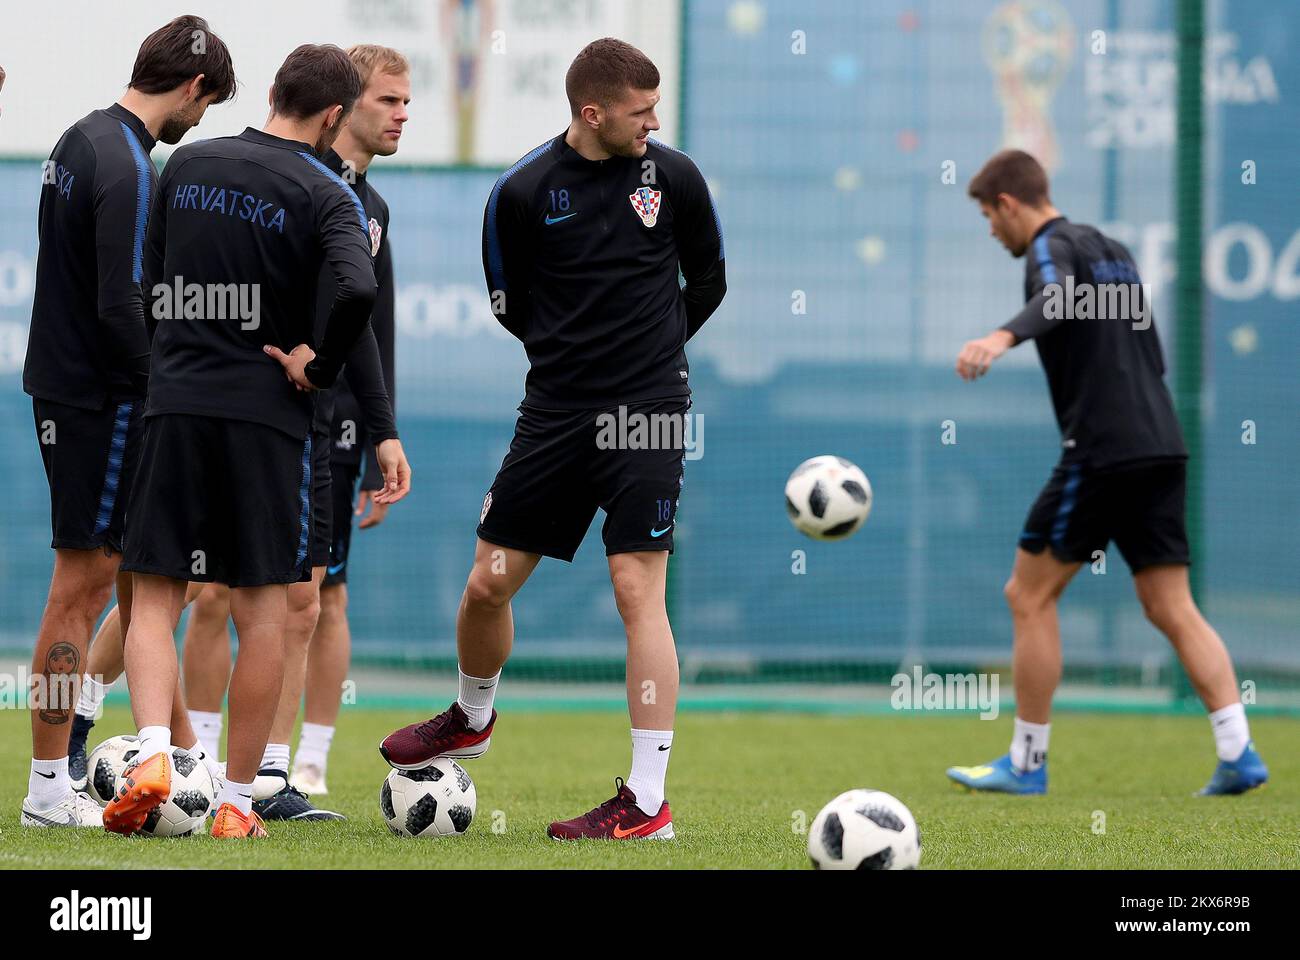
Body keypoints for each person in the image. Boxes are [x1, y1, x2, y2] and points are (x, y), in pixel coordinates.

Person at [380, 37, 726, 840]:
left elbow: (707, 280)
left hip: (648, 411)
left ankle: (645, 802)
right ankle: (472, 715)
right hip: (557, 413)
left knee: (639, 591)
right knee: (487, 584)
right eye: (640, 112)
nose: (655, 122)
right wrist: (575, 358)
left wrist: (652, 354)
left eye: (657, 108)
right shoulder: (523, 190)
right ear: (591, 112)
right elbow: (508, 302)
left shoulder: (673, 176)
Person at [102, 43, 409, 840]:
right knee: (266, 610)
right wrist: (323, 361)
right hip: (269, 420)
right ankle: (238, 801)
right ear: (334, 116)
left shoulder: (188, 164)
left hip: (174, 405)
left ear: (273, 91)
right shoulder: (327, 191)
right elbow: (360, 290)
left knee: (156, 594)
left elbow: (151, 281)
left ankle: (156, 761)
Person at [945, 149, 1268, 797]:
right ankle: (1239, 752)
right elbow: (1149, 350)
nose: (989, 230)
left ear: (1009, 204)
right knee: (1170, 603)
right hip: (1161, 443)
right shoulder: (1114, 248)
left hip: (1102, 449)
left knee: (1027, 594)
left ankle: (1027, 764)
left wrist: (1000, 338)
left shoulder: (1048, 247)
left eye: (987, 214)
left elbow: (1057, 300)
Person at [20, 15, 235, 828]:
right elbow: (120, 306)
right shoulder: (132, 165)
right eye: (206, 105)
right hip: (101, 400)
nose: (200, 122)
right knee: (78, 589)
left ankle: (181, 759)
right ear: (193, 88)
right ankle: (47, 788)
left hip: (68, 391)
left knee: (134, 583)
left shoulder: (81, 137)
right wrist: (164, 391)